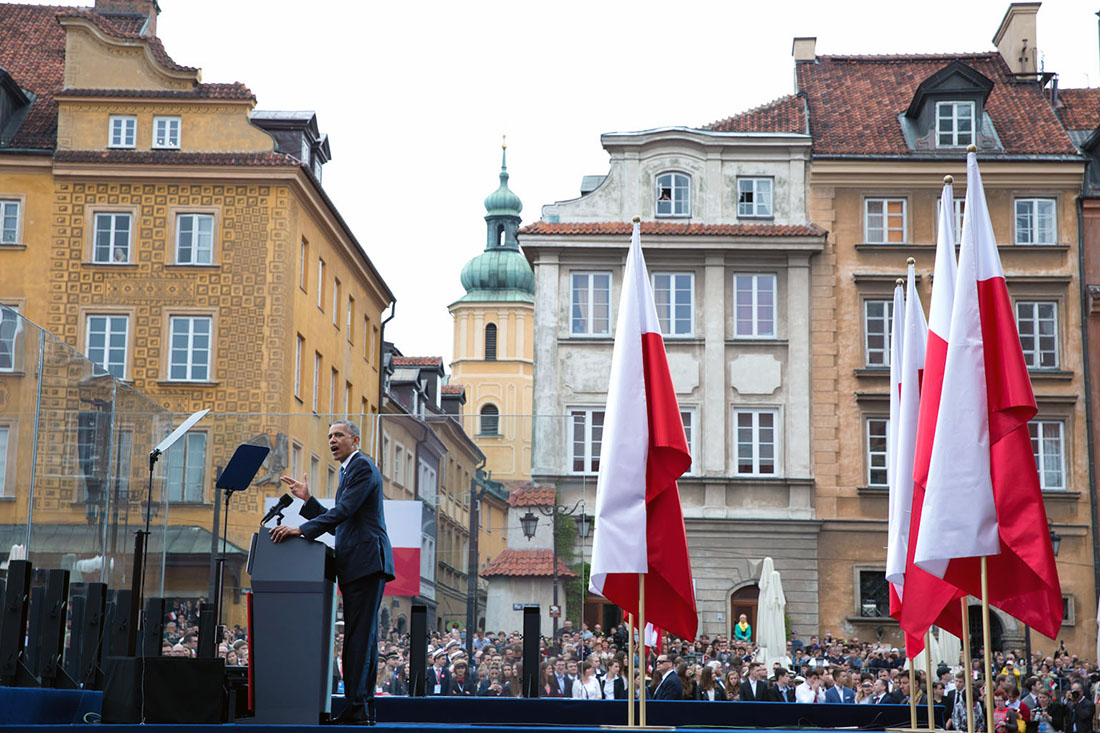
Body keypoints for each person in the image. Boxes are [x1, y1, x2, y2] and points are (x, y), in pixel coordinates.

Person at [270, 420, 395, 726]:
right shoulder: (349, 470)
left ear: (355, 439)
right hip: (360, 563)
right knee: (361, 637)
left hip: (366, 562)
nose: (332, 440)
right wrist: (308, 501)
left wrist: (300, 529)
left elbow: (343, 513)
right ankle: (362, 708)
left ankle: (357, 708)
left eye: (338, 435)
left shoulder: (361, 467)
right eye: (329, 436)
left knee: (359, 639)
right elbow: (341, 519)